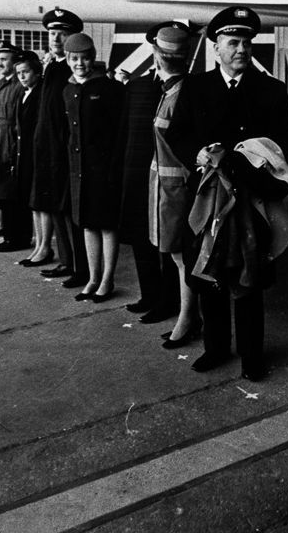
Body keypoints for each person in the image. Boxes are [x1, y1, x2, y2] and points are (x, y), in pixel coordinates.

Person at [167, 5, 288, 382]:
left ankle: (252, 356)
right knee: (211, 270)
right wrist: (198, 154)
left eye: (246, 42)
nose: (241, 49)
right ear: (216, 47)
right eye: (233, 42)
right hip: (209, 198)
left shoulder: (269, 89)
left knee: (250, 274)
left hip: (252, 198)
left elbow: (287, 141)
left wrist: (257, 160)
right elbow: (177, 132)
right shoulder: (195, 86)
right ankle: (216, 347)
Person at [120, 23, 184, 325]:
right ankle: (149, 295)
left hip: (168, 178)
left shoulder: (183, 88)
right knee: (141, 238)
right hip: (139, 173)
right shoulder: (138, 86)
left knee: (169, 243)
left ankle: (167, 302)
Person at [63, 32, 126, 302]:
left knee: (107, 225)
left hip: (103, 169)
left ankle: (107, 280)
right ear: (67, 59)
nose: (80, 64)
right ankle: (92, 277)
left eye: (86, 59)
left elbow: (118, 132)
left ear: (93, 58)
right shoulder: (68, 90)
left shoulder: (108, 89)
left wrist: (113, 170)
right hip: (79, 169)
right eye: (75, 59)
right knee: (87, 225)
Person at [148, 22, 200, 348]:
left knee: (181, 256)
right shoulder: (173, 90)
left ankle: (188, 319)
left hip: (175, 187)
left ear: (157, 56)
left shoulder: (180, 94)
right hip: (165, 186)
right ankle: (187, 314)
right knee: (177, 255)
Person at [30, 8, 88, 285]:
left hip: (64, 151)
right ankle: (67, 261)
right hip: (48, 150)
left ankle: (79, 267)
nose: (55, 38)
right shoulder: (52, 66)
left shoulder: (72, 68)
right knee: (56, 206)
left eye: (61, 33)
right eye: (52, 33)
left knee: (68, 209)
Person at [0, 41, 29, 252]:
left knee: (12, 192)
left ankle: (17, 237)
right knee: (1, 189)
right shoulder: (1, 84)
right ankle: (9, 234)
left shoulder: (19, 86)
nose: (0, 63)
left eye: (4, 59)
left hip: (11, 139)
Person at [12, 53, 46, 265]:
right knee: (33, 202)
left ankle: (44, 246)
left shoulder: (40, 94)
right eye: (19, 73)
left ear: (36, 72)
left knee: (40, 202)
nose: (22, 77)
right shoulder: (25, 93)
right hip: (24, 153)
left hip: (36, 153)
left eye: (26, 72)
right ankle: (39, 243)